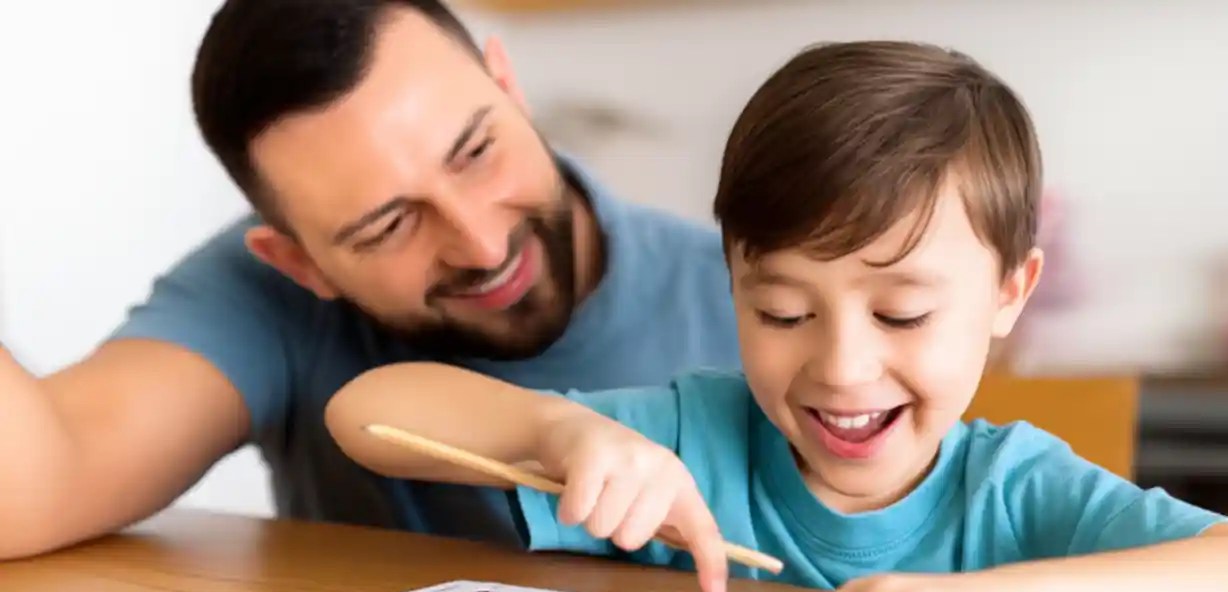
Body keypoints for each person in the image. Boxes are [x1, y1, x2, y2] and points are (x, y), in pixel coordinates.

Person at [325, 40, 1228, 592]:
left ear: (1008, 293)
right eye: (782, 312)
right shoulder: (691, 441)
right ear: (731, 281)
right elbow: (365, 413)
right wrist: (556, 433)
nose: (842, 365)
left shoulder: (1016, 493)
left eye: (902, 312)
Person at [0, 0, 740, 561]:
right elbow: (37, 483)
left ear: (509, 87)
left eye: (477, 151)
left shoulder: (759, 304)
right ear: (302, 264)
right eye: (389, 227)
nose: (482, 245)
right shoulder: (260, 295)